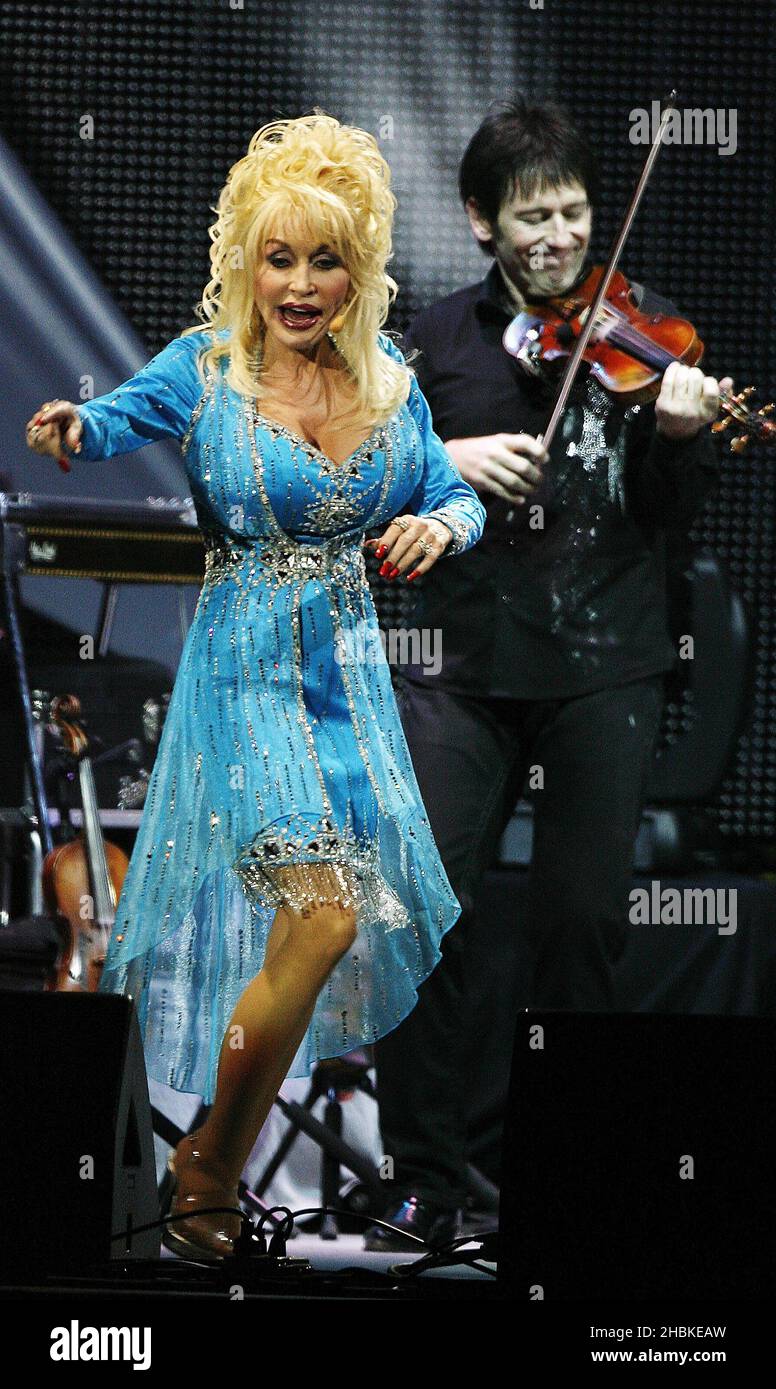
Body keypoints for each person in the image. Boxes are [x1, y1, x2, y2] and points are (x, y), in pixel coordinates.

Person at [25, 110, 486, 1260]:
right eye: (277, 256)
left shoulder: (389, 386)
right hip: (242, 675)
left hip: (346, 690)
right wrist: (76, 424)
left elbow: (459, 495)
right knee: (326, 913)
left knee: (312, 938)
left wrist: (440, 522)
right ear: (245, 259)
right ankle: (206, 1167)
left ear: (357, 268)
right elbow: (112, 417)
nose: (298, 282)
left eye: (323, 258)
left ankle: (204, 1170)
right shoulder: (208, 367)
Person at [366, 97, 729, 1251]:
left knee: (580, 926)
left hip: (603, 666)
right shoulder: (431, 341)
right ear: (482, 222)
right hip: (459, 668)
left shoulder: (647, 332)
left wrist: (678, 440)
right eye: (532, 217)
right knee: (418, 916)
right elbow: (365, 494)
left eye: (573, 212)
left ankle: (568, 1181)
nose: (559, 236)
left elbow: (676, 519)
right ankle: (422, 1177)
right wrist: (442, 459)